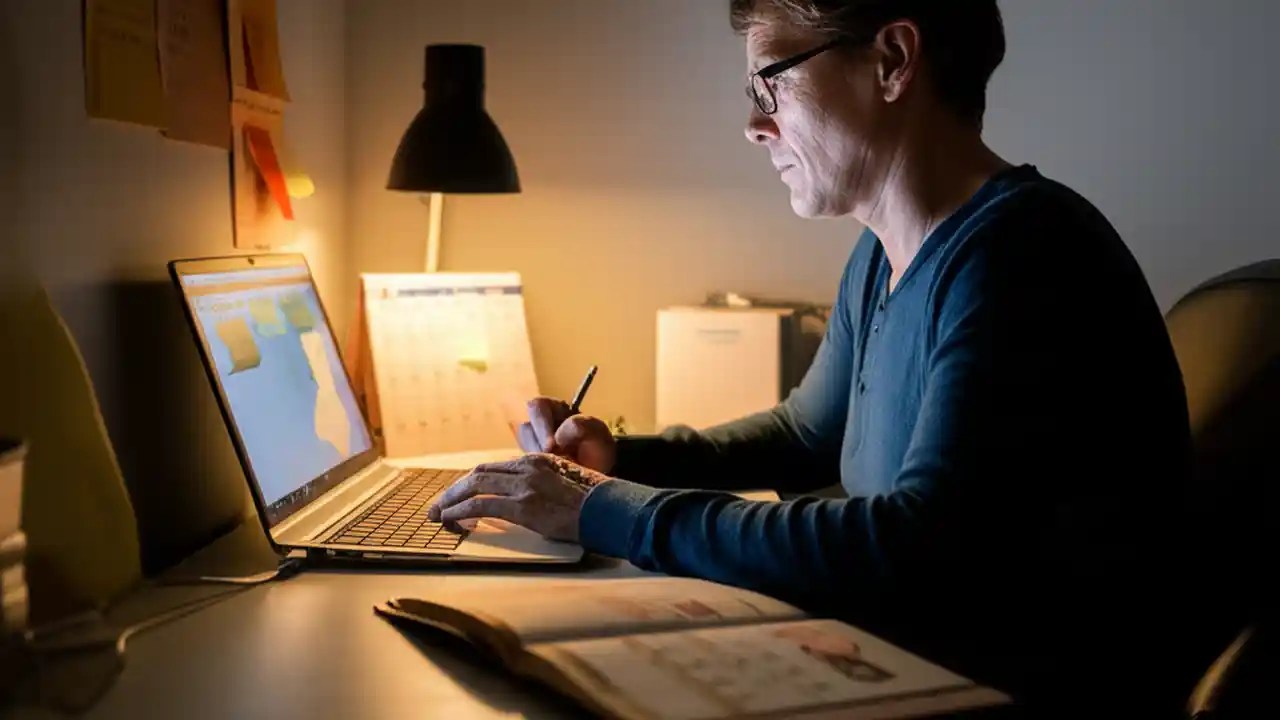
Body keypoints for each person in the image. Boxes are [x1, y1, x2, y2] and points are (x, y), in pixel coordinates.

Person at [430, 0, 1198, 713]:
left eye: (769, 84)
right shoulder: (883, 254)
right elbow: (804, 436)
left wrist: (605, 511)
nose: (753, 125)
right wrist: (617, 459)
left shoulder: (1020, 254)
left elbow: (915, 548)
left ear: (893, 61)